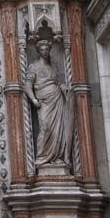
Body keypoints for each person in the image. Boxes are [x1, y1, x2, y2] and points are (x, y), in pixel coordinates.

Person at [24, 39, 74, 167]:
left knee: (58, 130)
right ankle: (42, 157)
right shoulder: (33, 67)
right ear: (39, 51)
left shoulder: (53, 67)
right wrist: (34, 100)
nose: (45, 52)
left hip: (57, 100)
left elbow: (58, 83)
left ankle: (57, 157)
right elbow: (28, 86)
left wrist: (65, 89)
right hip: (44, 102)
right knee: (45, 128)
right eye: (42, 50)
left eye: (47, 49)